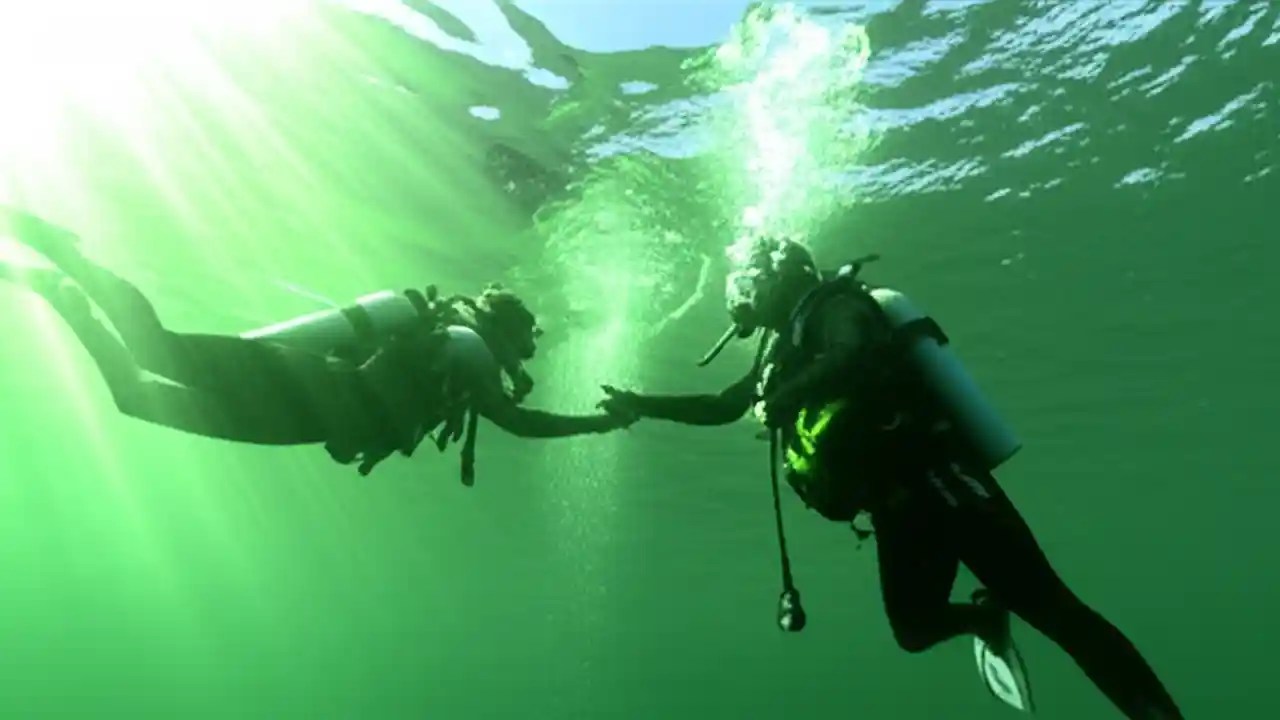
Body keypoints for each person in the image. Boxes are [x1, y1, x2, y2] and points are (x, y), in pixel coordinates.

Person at [598, 235, 1183, 720]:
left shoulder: (837, 306)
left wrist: (786, 399)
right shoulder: (784, 348)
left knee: (1057, 612)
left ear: (781, 274)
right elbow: (725, 404)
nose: (744, 291)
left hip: (944, 483)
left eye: (750, 277)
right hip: (896, 510)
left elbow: (855, 353)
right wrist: (641, 404)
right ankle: (984, 616)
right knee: (915, 628)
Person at [1, 206, 634, 480]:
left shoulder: (464, 364)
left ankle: (57, 290)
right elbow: (518, 423)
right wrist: (598, 425)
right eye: (527, 339)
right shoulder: (468, 348)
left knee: (136, 396)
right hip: (306, 385)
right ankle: (61, 250)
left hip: (303, 416)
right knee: (153, 352)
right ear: (507, 326)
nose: (527, 355)